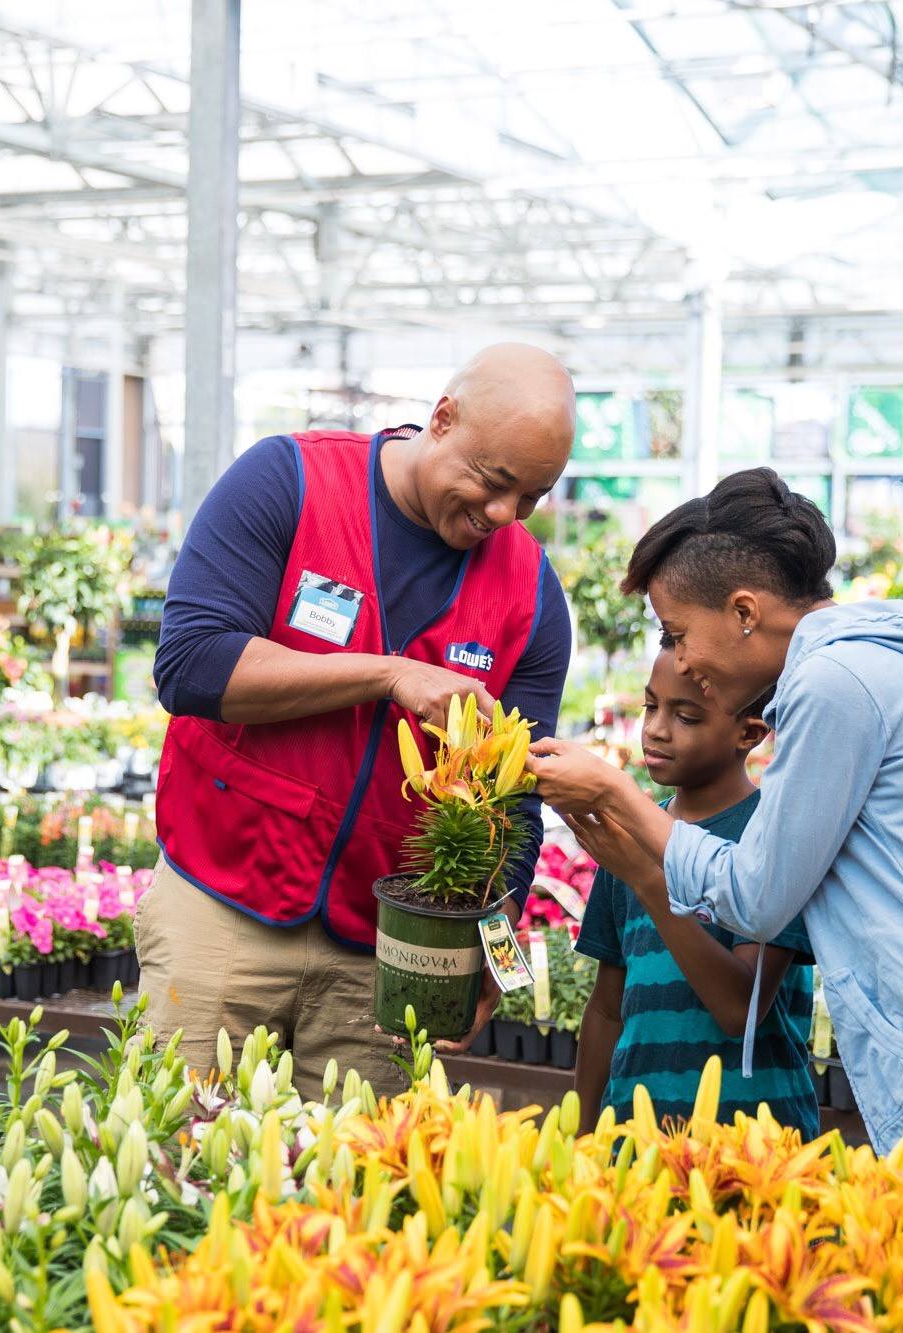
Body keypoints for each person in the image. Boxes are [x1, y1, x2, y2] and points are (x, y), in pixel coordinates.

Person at [529, 468, 903, 1160]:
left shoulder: (835, 682)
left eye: (678, 633)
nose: (680, 658)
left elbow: (757, 899)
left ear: (743, 612)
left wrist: (616, 796)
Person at [143, 343, 576, 1096]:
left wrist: (496, 952)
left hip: (387, 958)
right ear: (443, 419)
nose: (504, 514)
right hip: (222, 910)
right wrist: (389, 674)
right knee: (178, 1146)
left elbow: (517, 801)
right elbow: (191, 664)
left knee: (361, 1166)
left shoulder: (532, 595)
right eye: (492, 480)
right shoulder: (289, 480)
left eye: (531, 497)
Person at [572, 654, 817, 1138]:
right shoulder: (629, 838)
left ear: (749, 734)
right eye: (650, 707)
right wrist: (582, 1132)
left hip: (754, 1146)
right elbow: (606, 1007)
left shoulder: (773, 838)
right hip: (635, 1144)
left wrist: (647, 879)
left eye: (685, 717)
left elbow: (739, 1010)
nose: (656, 730)